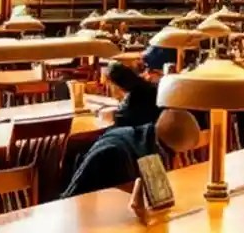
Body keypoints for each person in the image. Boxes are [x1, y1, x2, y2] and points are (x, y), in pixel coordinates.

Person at [62, 109, 201, 198]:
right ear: (171, 153)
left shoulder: (140, 137)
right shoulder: (120, 156)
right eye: (182, 155)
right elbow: (127, 205)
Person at [107, 62, 161, 128]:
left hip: (138, 132)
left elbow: (121, 114)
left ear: (117, 84)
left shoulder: (132, 98)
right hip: (152, 129)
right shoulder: (149, 86)